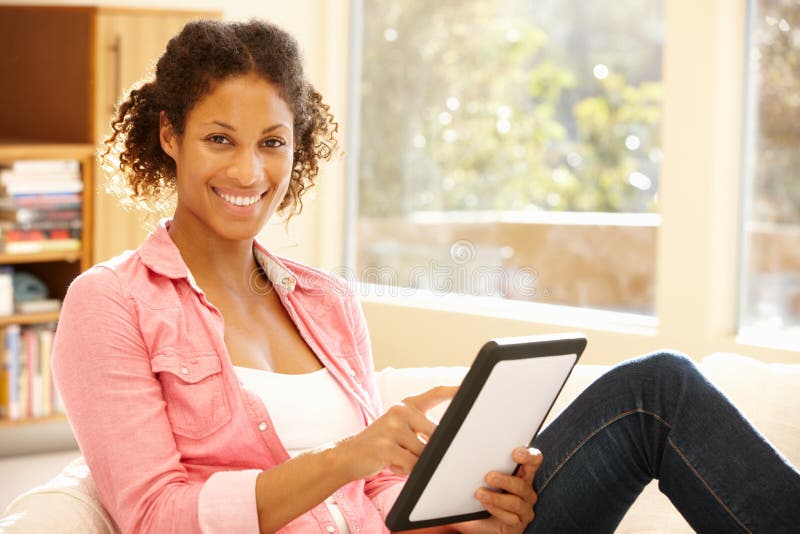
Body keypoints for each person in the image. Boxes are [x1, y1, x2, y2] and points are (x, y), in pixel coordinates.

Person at [51, 18, 799, 534]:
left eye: (272, 143)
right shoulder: (112, 304)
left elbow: (380, 493)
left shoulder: (323, 299)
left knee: (659, 391)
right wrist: (346, 456)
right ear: (169, 136)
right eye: (220, 139)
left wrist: (471, 513)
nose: (250, 171)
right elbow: (156, 517)